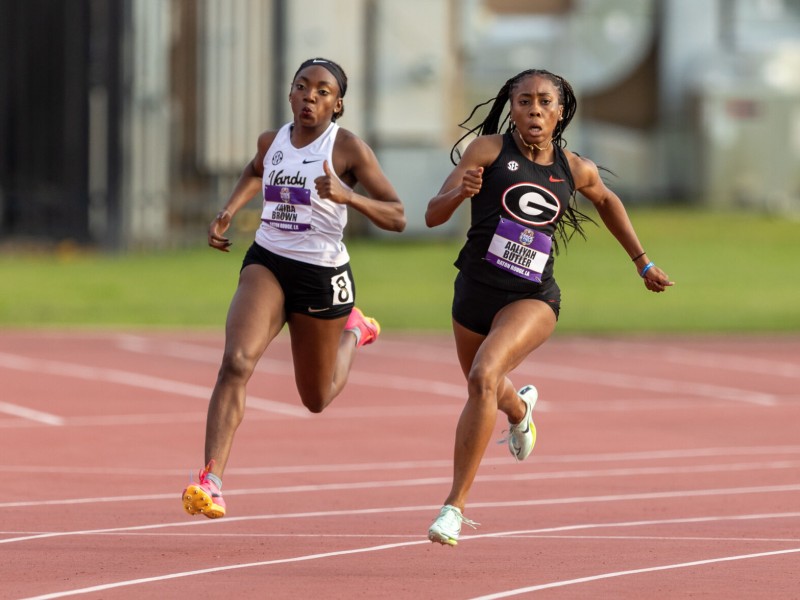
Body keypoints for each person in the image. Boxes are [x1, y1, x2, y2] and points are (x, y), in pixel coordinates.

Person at [424, 68, 673, 545]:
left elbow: (607, 201)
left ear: (560, 111)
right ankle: (520, 412)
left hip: (532, 297)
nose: (533, 110)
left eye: (543, 102)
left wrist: (643, 263)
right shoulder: (487, 152)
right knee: (488, 387)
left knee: (482, 377)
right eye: (523, 101)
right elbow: (434, 215)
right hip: (473, 293)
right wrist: (461, 191)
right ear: (511, 108)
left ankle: (453, 508)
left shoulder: (576, 168)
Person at [182, 57, 406, 519]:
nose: (310, 96)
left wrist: (348, 195)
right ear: (290, 94)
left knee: (316, 398)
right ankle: (211, 480)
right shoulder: (273, 140)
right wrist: (227, 211)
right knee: (236, 360)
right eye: (302, 87)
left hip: (321, 275)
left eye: (323, 91)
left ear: (337, 104)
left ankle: (354, 330)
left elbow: (398, 215)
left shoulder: (349, 150)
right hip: (268, 259)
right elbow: (255, 169)